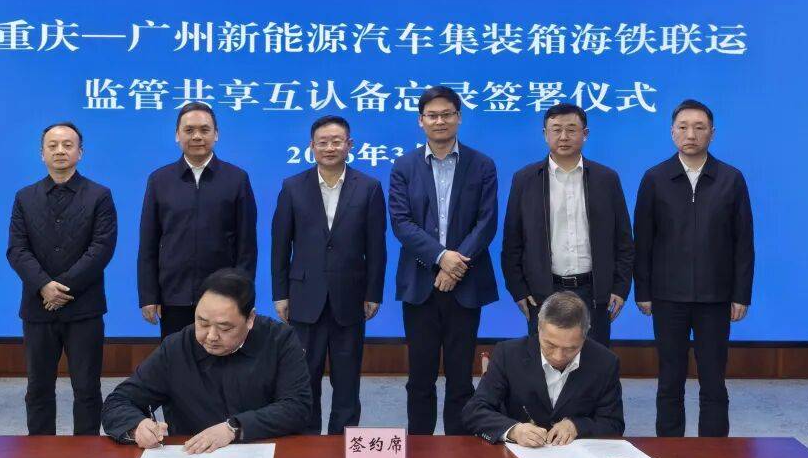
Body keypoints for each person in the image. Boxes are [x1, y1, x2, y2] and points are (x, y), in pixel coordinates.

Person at [634, 99, 754, 437]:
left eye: (699, 128)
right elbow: (642, 240)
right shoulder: (655, 178)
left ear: (712, 133)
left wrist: (741, 294)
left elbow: (743, 242)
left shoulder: (731, 179)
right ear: (672, 132)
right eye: (683, 127)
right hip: (667, 297)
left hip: (716, 297)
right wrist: (643, 291)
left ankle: (714, 451)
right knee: (669, 378)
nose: (691, 134)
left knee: (713, 379)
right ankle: (670, 450)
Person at [388, 85, 499, 435]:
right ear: (421, 121)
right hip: (419, 284)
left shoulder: (482, 164)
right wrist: (440, 257)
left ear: (459, 118)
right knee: (420, 377)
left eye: (447, 114)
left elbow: (487, 222)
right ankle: (420, 449)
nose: (440, 121)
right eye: (432, 115)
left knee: (461, 377)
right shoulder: (404, 165)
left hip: (466, 284)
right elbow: (401, 222)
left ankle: (459, 450)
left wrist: (456, 266)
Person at [102, 269, 311, 452]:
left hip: (265, 456)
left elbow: (297, 407)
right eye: (202, 323)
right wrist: (137, 426)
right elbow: (118, 401)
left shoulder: (279, 340)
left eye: (224, 328)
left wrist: (233, 428)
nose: (211, 336)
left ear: (250, 319)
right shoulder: (177, 347)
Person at [271, 115, 387, 434]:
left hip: (350, 299)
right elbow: (280, 246)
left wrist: (373, 293)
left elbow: (376, 248)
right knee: (304, 378)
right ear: (312, 146)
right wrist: (280, 293)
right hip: (304, 298)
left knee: (347, 380)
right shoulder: (292, 187)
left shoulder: (369, 188)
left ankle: (342, 443)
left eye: (337, 141)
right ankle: (307, 443)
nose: (330, 147)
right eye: (323, 142)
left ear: (349, 145)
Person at [6, 121, 117, 435]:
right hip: (37, 308)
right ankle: (40, 452)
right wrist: (44, 285)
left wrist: (61, 288)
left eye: (68, 145)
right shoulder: (25, 197)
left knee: (87, 388)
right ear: (42, 154)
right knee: (38, 388)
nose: (60, 151)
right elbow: (17, 249)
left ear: (80, 152)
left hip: (84, 309)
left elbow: (102, 248)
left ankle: (87, 452)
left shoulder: (99, 196)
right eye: (52, 145)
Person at [501, 103, 634, 345]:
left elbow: (623, 239)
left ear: (585, 134)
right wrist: (518, 290)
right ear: (545, 134)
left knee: (593, 359)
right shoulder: (525, 179)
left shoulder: (606, 179)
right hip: (543, 292)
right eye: (556, 130)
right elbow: (512, 241)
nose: (563, 137)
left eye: (571, 130)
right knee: (547, 359)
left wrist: (620, 287)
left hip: (594, 292)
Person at [138, 102, 258, 339]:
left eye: (204, 130)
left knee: (223, 358)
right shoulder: (160, 180)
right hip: (174, 295)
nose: (197, 136)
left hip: (223, 295)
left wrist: (241, 294)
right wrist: (149, 295)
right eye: (189, 130)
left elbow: (247, 246)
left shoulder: (236, 179)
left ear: (216, 134)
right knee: (177, 358)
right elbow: (148, 244)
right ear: (177, 135)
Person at [463, 291, 624, 446]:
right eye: (550, 345)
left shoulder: (605, 362)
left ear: (585, 334)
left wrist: (577, 426)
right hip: (517, 456)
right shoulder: (508, 354)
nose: (558, 357)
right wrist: (513, 430)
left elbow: (613, 424)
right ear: (539, 328)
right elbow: (474, 411)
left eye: (570, 349)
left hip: (576, 457)